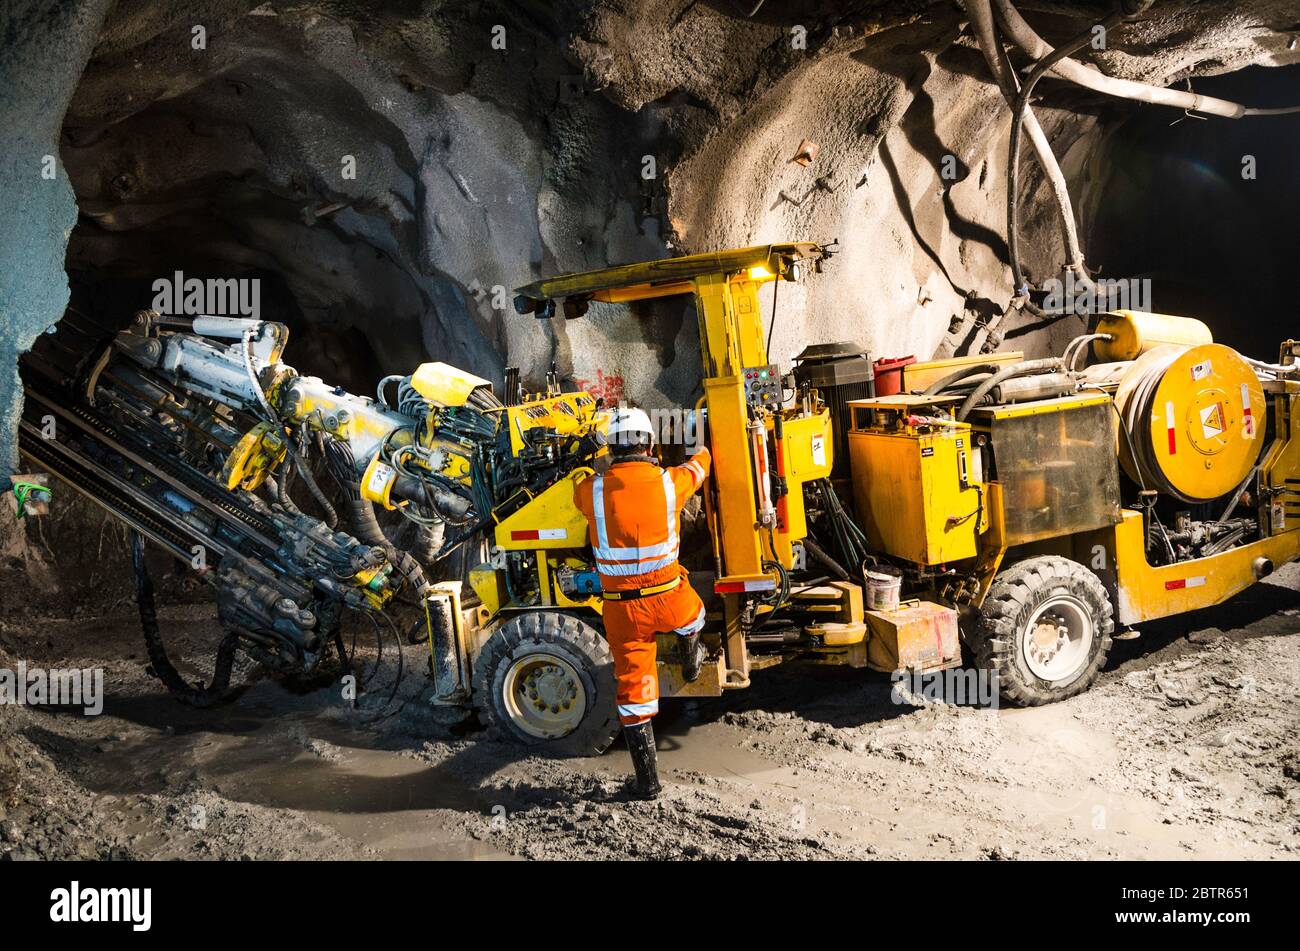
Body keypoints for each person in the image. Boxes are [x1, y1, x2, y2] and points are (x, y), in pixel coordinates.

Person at [573, 407, 711, 799]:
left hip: (622, 610)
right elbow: (700, 466)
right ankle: (690, 661)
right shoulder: (670, 483)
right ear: (649, 444)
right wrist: (702, 442)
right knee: (695, 616)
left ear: (612, 449)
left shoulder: (593, 490)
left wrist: (590, 461)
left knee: (634, 695)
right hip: (668, 595)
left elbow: (578, 485)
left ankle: (647, 785)